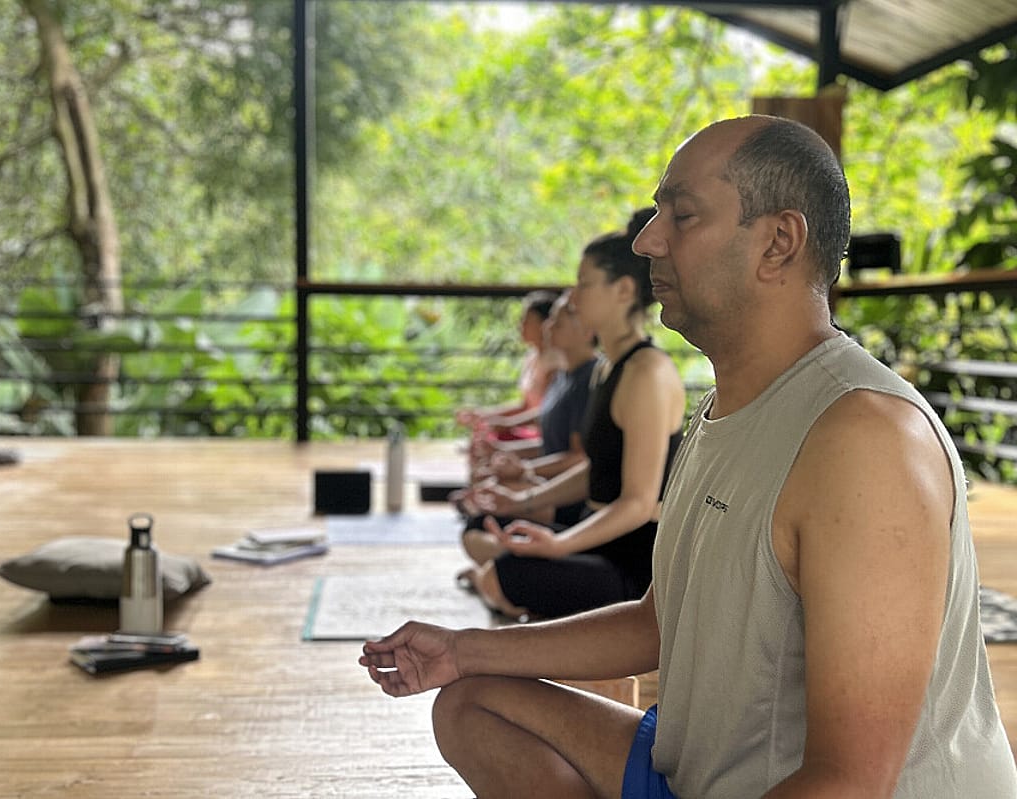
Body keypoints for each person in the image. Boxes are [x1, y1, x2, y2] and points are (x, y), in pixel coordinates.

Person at [359, 115, 1017, 798]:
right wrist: (463, 649)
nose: (647, 240)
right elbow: (660, 621)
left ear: (777, 242)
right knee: (473, 700)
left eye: (682, 214)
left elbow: (849, 782)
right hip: (711, 768)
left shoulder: (864, 438)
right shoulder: (721, 408)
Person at [457, 219, 686, 621]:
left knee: (505, 573)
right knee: (491, 530)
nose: (574, 295)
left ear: (624, 291)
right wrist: (526, 499)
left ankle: (500, 585)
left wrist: (559, 546)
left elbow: (638, 502)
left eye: (584, 283)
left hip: (634, 564)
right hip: (595, 534)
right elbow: (597, 469)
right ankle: (512, 587)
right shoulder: (609, 368)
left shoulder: (647, 372)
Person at [453, 288, 598, 528]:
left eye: (556, 323)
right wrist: (502, 451)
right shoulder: (565, 376)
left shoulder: (588, 379)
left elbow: (577, 459)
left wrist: (523, 471)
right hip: (548, 482)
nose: (547, 328)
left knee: (481, 512)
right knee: (480, 503)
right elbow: (550, 443)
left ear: (586, 330)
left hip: (571, 497)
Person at [457, 289, 560, 466]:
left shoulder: (555, 363)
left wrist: (505, 423)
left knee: (486, 441)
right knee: (481, 434)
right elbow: (524, 405)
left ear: (545, 324)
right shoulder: (532, 357)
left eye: (526, 320)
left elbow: (547, 413)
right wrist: (483, 415)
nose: (520, 325)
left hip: (542, 436)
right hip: (525, 428)